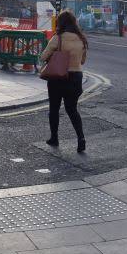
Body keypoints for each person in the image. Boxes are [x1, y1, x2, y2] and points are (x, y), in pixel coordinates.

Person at [40, 10, 88, 152]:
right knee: (72, 109)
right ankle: (81, 138)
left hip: (58, 77)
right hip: (76, 77)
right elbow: (83, 61)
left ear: (60, 23)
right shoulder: (81, 39)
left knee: (54, 109)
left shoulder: (58, 38)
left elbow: (43, 57)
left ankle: (54, 138)